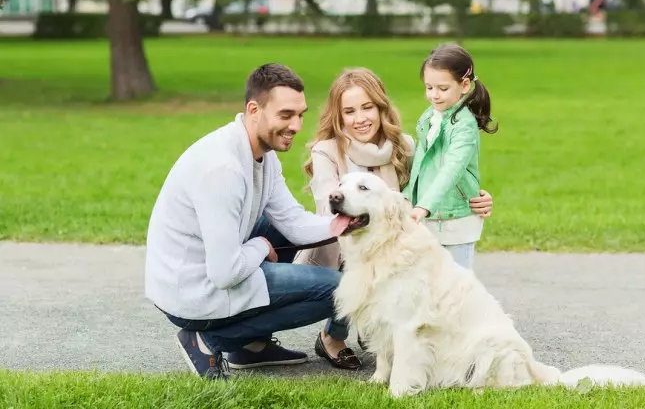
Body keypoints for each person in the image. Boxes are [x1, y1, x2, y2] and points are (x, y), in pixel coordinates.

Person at [144, 63, 362, 381]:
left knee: (275, 228)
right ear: (254, 109)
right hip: (191, 292)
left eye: (301, 114)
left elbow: (290, 221)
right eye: (286, 115)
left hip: (215, 266)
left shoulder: (263, 153)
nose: (296, 125)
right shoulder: (223, 169)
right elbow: (224, 273)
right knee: (340, 291)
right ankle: (207, 341)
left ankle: (251, 347)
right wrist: (260, 246)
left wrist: (342, 224)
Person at [296, 67, 494, 271]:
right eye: (349, 111)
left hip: (393, 260)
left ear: (381, 108)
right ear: (339, 117)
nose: (360, 118)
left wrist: (473, 196)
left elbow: (428, 189)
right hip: (338, 261)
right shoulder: (326, 151)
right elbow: (328, 207)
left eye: (367, 107)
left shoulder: (404, 147)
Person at [403, 43, 498, 270]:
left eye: (442, 89)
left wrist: (424, 206)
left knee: (457, 286)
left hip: (456, 218)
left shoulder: (464, 125)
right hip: (429, 218)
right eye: (429, 87)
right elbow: (420, 164)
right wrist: (408, 197)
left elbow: (451, 169)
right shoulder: (429, 116)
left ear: (464, 85)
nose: (434, 95)